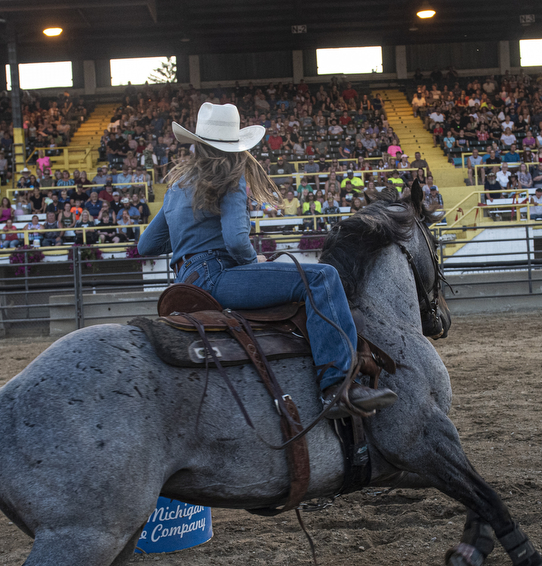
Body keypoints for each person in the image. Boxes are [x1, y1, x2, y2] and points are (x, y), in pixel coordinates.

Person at [137, 102, 396, 418]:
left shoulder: (176, 186)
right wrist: (253, 262)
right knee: (322, 277)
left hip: (185, 283)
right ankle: (337, 385)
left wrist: (186, 231)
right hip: (219, 277)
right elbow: (235, 240)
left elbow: (147, 245)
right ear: (234, 144)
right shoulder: (231, 175)